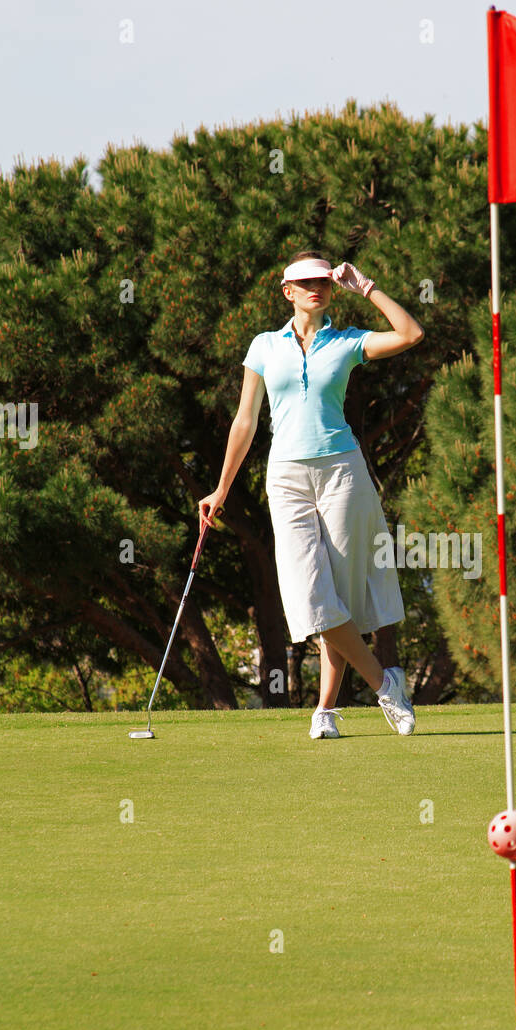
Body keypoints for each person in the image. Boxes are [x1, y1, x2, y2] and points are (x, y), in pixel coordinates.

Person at [198, 251, 423, 738]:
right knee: (309, 595)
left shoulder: (346, 342)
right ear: (288, 291)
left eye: (323, 281)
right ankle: (386, 685)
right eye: (306, 282)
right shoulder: (263, 346)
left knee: (337, 597)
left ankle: (324, 710)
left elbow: (410, 335)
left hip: (343, 473)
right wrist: (221, 488)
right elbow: (245, 420)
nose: (316, 288)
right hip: (286, 476)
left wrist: (367, 289)